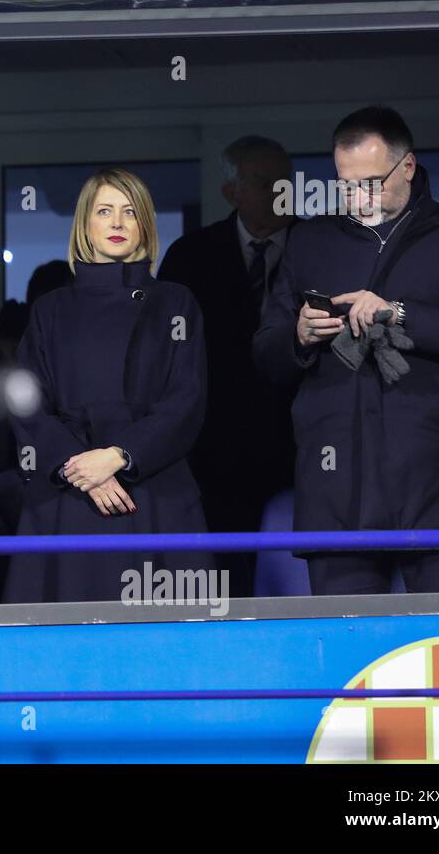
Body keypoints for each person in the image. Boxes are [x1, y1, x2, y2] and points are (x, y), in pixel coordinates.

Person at [253, 106, 439, 595]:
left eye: (372, 183)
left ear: (408, 166)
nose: (359, 198)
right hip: (336, 492)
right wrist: (299, 335)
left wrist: (400, 313)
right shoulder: (309, 241)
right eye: (346, 185)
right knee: (347, 641)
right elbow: (264, 354)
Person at [4, 167, 210, 603]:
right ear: (85, 224)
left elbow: (186, 399)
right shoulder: (49, 310)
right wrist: (80, 468)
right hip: (67, 498)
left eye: (129, 212)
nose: (117, 222)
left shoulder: (175, 302)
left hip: (153, 492)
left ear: (145, 224)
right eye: (104, 211)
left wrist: (119, 456)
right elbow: (27, 403)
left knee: (160, 637)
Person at [158, 136, 299, 595]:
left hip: (303, 443)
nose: (279, 192)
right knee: (224, 581)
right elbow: (167, 358)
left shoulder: (319, 246)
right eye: (263, 182)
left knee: (298, 577)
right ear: (230, 192)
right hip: (215, 450)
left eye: (286, 181)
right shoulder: (190, 256)